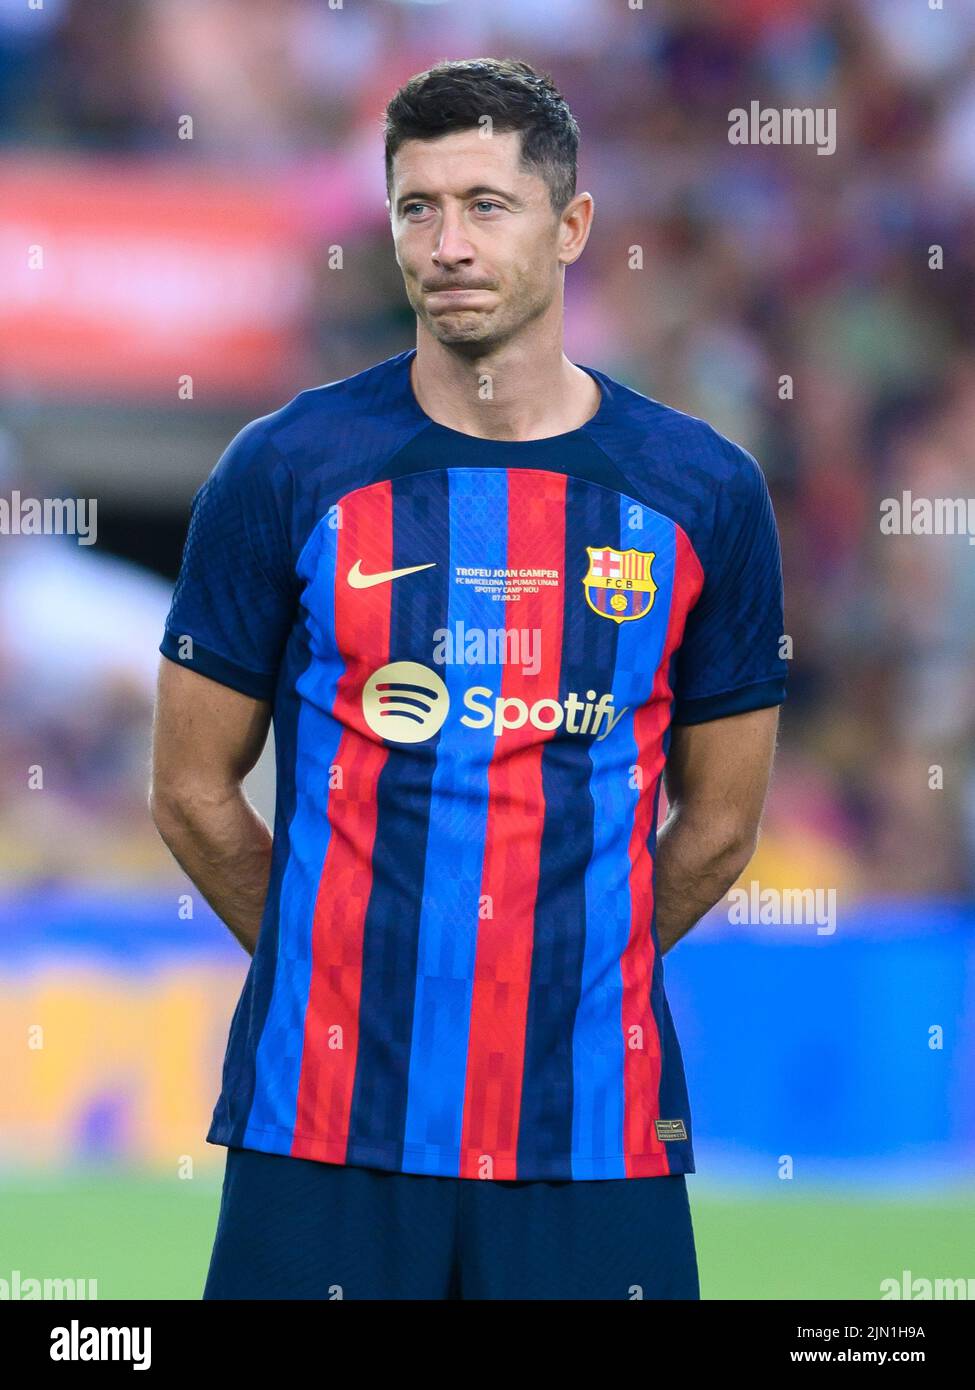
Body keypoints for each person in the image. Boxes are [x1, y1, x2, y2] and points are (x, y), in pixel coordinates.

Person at [150, 57, 787, 1300]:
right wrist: (327, 962)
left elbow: (720, 819)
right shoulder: (283, 468)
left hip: (591, 1131)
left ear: (572, 226)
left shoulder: (703, 491)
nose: (446, 243)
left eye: (486, 205)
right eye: (416, 207)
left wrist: (567, 971)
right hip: (320, 1121)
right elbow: (188, 787)